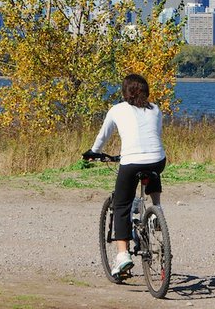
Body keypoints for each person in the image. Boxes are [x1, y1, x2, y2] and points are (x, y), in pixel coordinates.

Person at [83, 73, 166, 278]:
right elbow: (155, 133)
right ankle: (157, 210)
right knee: (153, 169)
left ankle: (123, 255)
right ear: (146, 92)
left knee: (121, 205)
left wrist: (94, 152)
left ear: (124, 92)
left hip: (131, 163)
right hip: (158, 159)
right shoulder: (155, 109)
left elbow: (102, 136)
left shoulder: (117, 110)